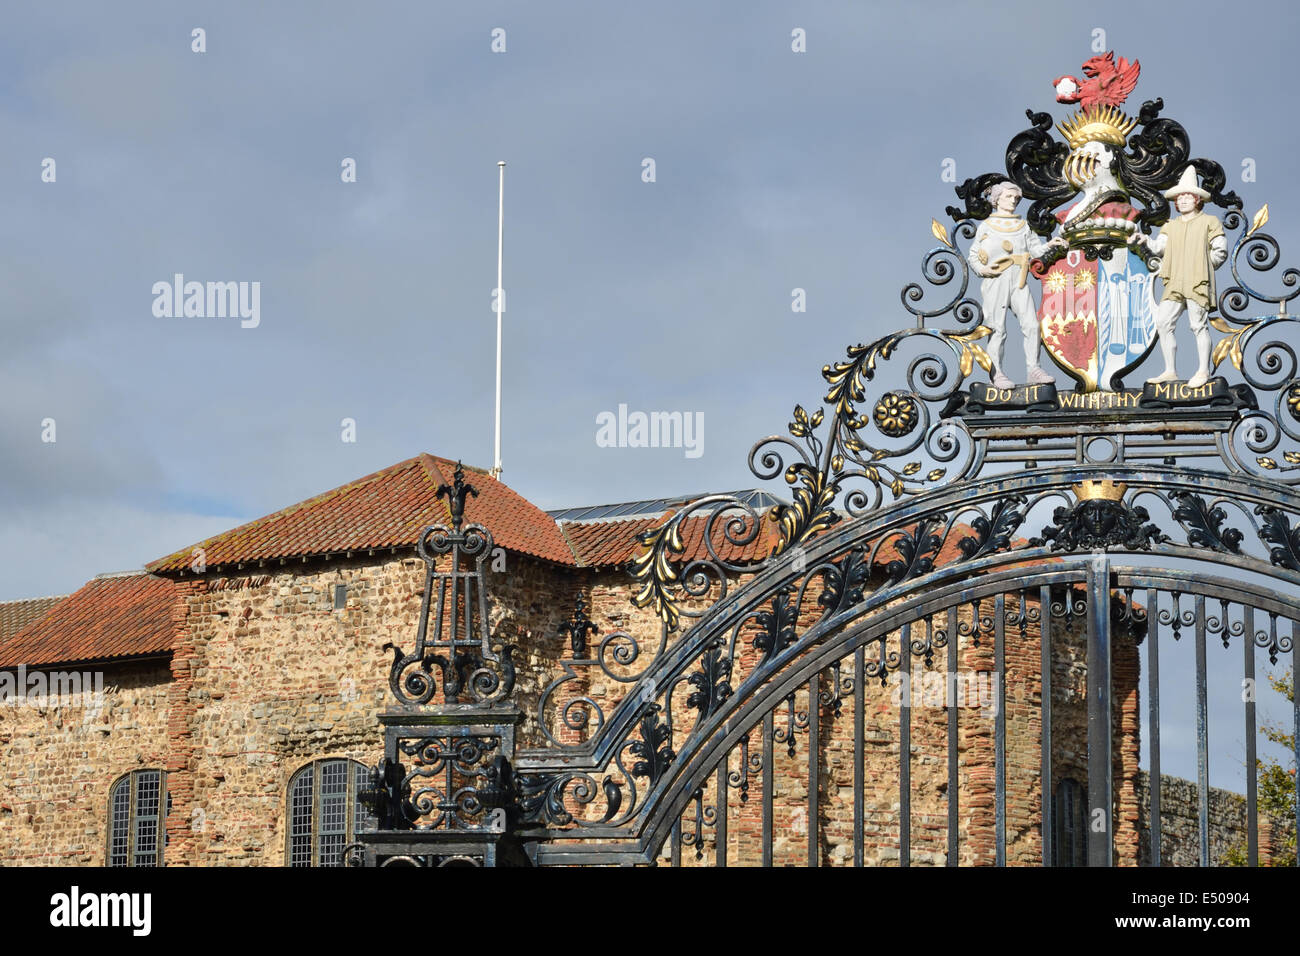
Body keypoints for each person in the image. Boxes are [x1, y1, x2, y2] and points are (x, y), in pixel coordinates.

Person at [1128, 165, 1227, 388]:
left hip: (1196, 279)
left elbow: (1220, 250)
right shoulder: (1169, 225)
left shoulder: (1210, 222)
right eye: (1179, 198)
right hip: (1173, 281)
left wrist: (1204, 265)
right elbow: (1158, 246)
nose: (1182, 201)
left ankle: (1203, 370)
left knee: (1198, 325)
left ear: (1197, 200)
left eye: (1186, 197)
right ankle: (1170, 370)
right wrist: (1143, 240)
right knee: (1163, 322)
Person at [968, 182, 1066, 388]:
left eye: (1016, 198)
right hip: (997, 279)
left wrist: (1051, 244)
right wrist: (983, 269)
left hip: (1019, 278)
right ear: (996, 200)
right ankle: (996, 372)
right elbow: (974, 255)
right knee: (996, 328)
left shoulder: (1023, 226)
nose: (1013, 201)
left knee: (1031, 324)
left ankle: (1034, 369)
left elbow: (1036, 250)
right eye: (1008, 197)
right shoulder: (987, 225)